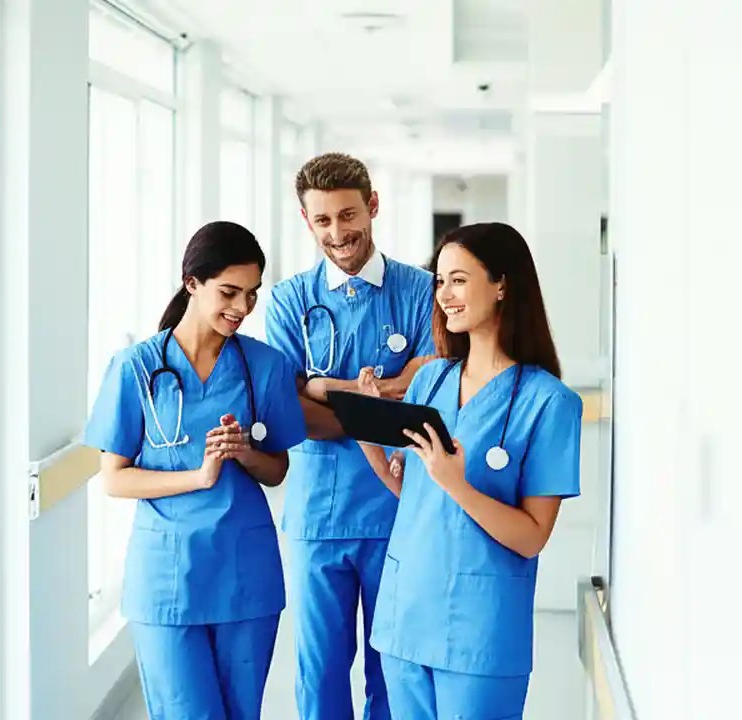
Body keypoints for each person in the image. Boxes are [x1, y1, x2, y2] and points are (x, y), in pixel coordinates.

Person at [357, 222, 582, 719]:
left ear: (502, 283)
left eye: (458, 280)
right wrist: (370, 433)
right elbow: (415, 494)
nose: (445, 295)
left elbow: (531, 536)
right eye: (439, 282)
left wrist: (455, 482)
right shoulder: (430, 380)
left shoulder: (549, 403)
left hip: (480, 626)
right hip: (406, 614)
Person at [84, 221, 306, 720]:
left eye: (251, 295)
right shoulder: (136, 368)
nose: (242, 309)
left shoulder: (264, 367)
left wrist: (246, 452)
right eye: (229, 292)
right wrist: (198, 476)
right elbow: (115, 478)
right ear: (192, 283)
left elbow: (277, 470)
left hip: (244, 576)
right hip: (166, 579)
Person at [264, 152, 435, 719]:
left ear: (373, 207)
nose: (338, 233)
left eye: (348, 215)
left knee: (395, 662)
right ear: (307, 221)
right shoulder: (290, 300)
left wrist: (331, 389)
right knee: (320, 668)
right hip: (318, 513)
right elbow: (290, 402)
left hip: (397, 506)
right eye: (323, 221)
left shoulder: (418, 290)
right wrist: (381, 394)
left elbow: (428, 379)